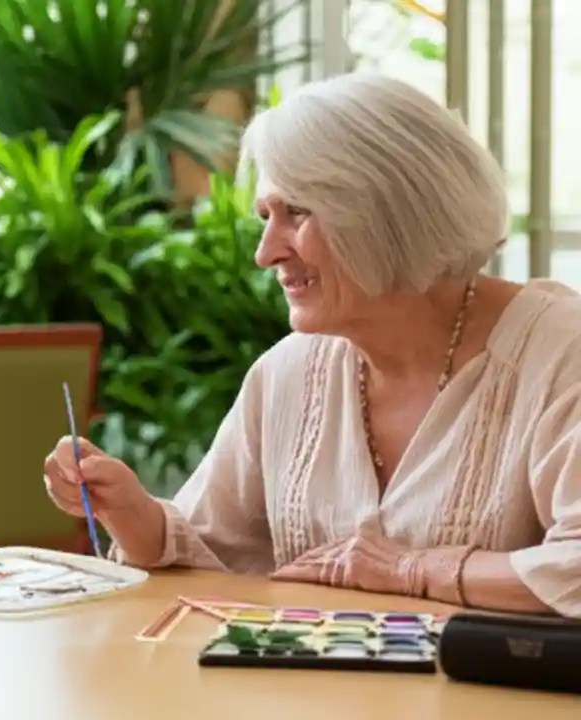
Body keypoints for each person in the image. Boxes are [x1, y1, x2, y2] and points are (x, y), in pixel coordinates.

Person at [44, 71, 581, 618]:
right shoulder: (289, 373)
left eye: (295, 213)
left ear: (389, 213)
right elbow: (216, 559)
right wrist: (136, 517)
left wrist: (408, 569)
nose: (266, 252)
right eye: (264, 217)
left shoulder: (560, 349)